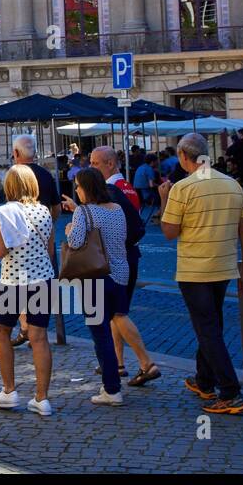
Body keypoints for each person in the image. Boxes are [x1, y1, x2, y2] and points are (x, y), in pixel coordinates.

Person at [158, 133, 243, 416]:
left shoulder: (182, 188)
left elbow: (169, 232)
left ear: (183, 156)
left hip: (195, 269)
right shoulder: (232, 184)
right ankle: (204, 380)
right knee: (212, 324)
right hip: (224, 266)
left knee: (207, 329)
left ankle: (231, 392)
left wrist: (164, 199)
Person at [88, 146, 160, 387]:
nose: (91, 168)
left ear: (110, 163)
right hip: (128, 253)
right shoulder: (126, 186)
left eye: (95, 163)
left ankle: (146, 363)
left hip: (118, 255)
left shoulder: (111, 190)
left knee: (118, 313)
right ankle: (117, 363)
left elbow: (112, 225)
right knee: (115, 313)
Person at [0, 165, 56, 416]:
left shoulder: (4, 213)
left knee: (1, 331)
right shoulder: (44, 211)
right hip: (43, 279)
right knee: (39, 337)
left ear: (9, 186)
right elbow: (50, 250)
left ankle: (9, 391)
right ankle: (42, 399)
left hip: (14, 282)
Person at [64, 167, 129, 405]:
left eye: (78, 187)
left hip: (94, 278)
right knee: (110, 328)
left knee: (101, 335)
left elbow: (75, 242)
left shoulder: (83, 211)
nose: (77, 191)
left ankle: (112, 389)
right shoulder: (117, 209)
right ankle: (112, 385)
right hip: (119, 275)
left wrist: (69, 229)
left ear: (87, 188)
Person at [7, 135, 60, 347]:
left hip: (20, 245)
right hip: (45, 240)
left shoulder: (14, 176)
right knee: (42, 286)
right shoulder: (46, 174)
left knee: (19, 286)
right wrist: (47, 223)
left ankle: (26, 328)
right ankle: (36, 333)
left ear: (16, 153)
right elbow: (56, 207)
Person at [133, 154, 158, 224]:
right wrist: (159, 185)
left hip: (136, 191)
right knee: (161, 198)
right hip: (145, 193)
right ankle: (157, 215)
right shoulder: (149, 169)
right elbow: (151, 184)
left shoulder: (140, 167)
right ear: (152, 162)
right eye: (156, 161)